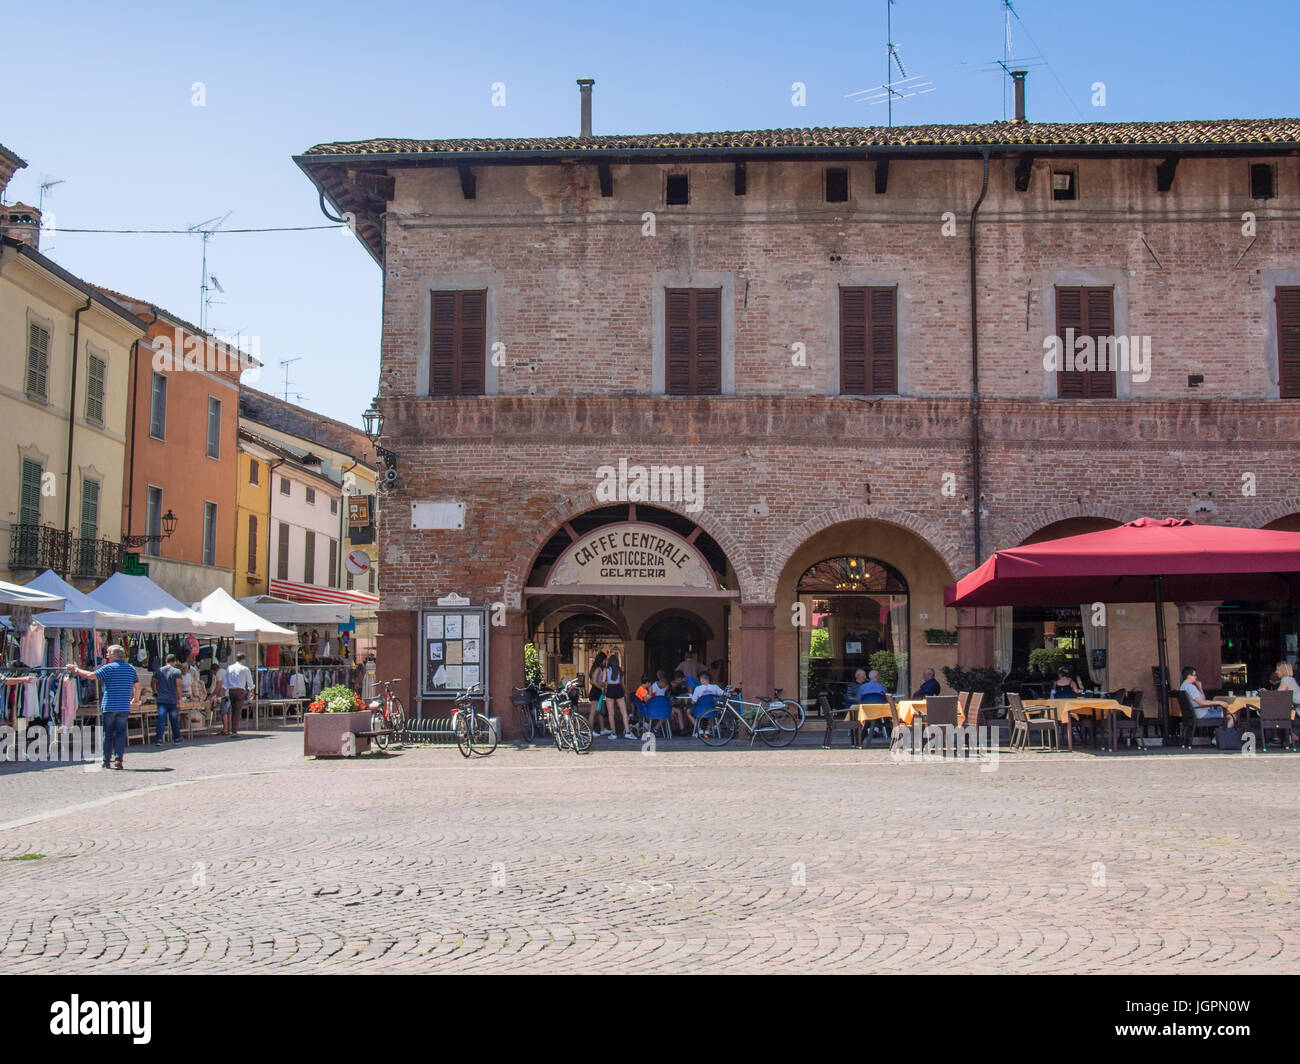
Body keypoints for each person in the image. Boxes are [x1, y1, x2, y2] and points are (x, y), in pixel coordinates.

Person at [66, 644, 140, 770]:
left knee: (108, 733)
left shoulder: (108, 668)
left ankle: (106, 760)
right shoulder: (130, 668)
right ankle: (118, 761)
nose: (106, 655)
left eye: (108, 653)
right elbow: (137, 686)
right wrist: (135, 699)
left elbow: (91, 676)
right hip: (123, 706)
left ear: (114, 655)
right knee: (121, 733)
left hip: (110, 705)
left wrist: (76, 670)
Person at [152, 653, 183, 745]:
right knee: (174, 719)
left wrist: (155, 691)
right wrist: (180, 699)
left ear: (166, 661)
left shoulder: (159, 670)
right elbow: (179, 686)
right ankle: (176, 738)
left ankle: (159, 739)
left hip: (161, 699)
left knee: (161, 719)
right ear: (175, 661)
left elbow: (153, 682)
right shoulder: (176, 671)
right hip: (172, 699)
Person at [602, 653, 633, 740]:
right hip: (618, 689)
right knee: (624, 712)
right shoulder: (619, 670)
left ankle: (613, 733)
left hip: (610, 689)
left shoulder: (606, 669)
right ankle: (627, 732)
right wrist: (625, 692)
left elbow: (603, 682)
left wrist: (605, 687)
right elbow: (622, 683)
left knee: (611, 714)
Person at [224, 653, 255, 736]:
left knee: (233, 710)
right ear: (243, 659)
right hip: (240, 691)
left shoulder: (229, 668)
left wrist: (224, 691)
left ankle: (233, 729)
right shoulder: (245, 669)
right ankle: (234, 731)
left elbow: (225, 681)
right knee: (237, 711)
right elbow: (250, 682)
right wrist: (251, 690)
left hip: (231, 691)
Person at [586, 651, 608, 735]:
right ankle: (590, 730)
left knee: (599, 711)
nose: (606, 662)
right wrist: (601, 688)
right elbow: (594, 682)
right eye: (605, 660)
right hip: (596, 692)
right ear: (602, 660)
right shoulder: (598, 669)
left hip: (597, 692)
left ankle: (602, 729)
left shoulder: (597, 668)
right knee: (593, 712)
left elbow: (593, 681)